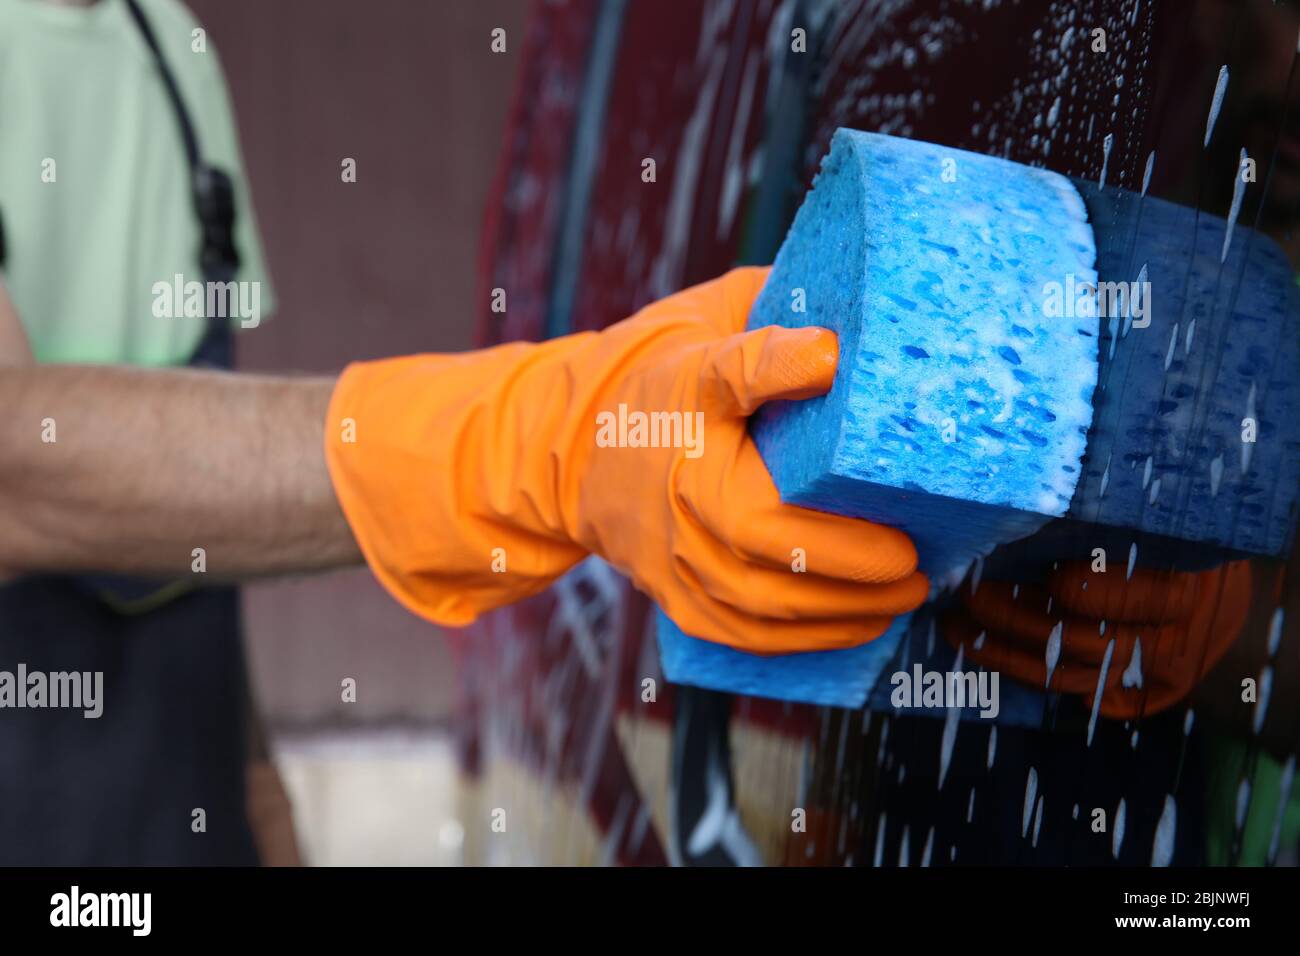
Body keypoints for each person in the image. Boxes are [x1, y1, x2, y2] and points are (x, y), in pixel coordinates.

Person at [0, 0, 294, 864]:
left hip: (187, 757)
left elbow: (207, 507)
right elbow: (19, 478)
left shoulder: (173, 45)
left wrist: (263, 793)